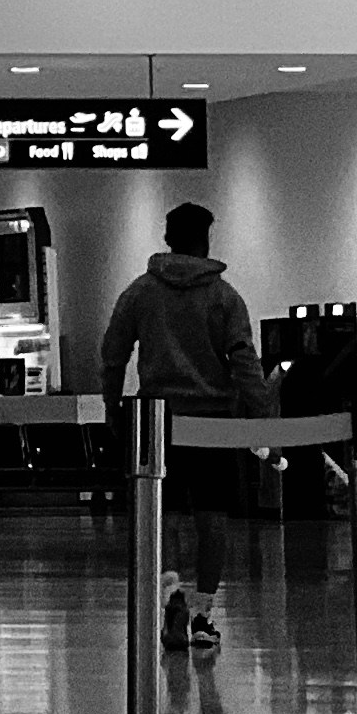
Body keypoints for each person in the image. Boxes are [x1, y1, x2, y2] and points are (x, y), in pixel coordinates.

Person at [98, 201, 263, 652]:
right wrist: (262, 419)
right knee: (212, 523)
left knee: (162, 517)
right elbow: (244, 361)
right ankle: (202, 617)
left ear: (167, 239)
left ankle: (171, 596)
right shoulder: (225, 297)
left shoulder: (139, 293)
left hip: (158, 422)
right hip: (213, 423)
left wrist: (114, 409)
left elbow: (113, 354)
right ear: (206, 239)